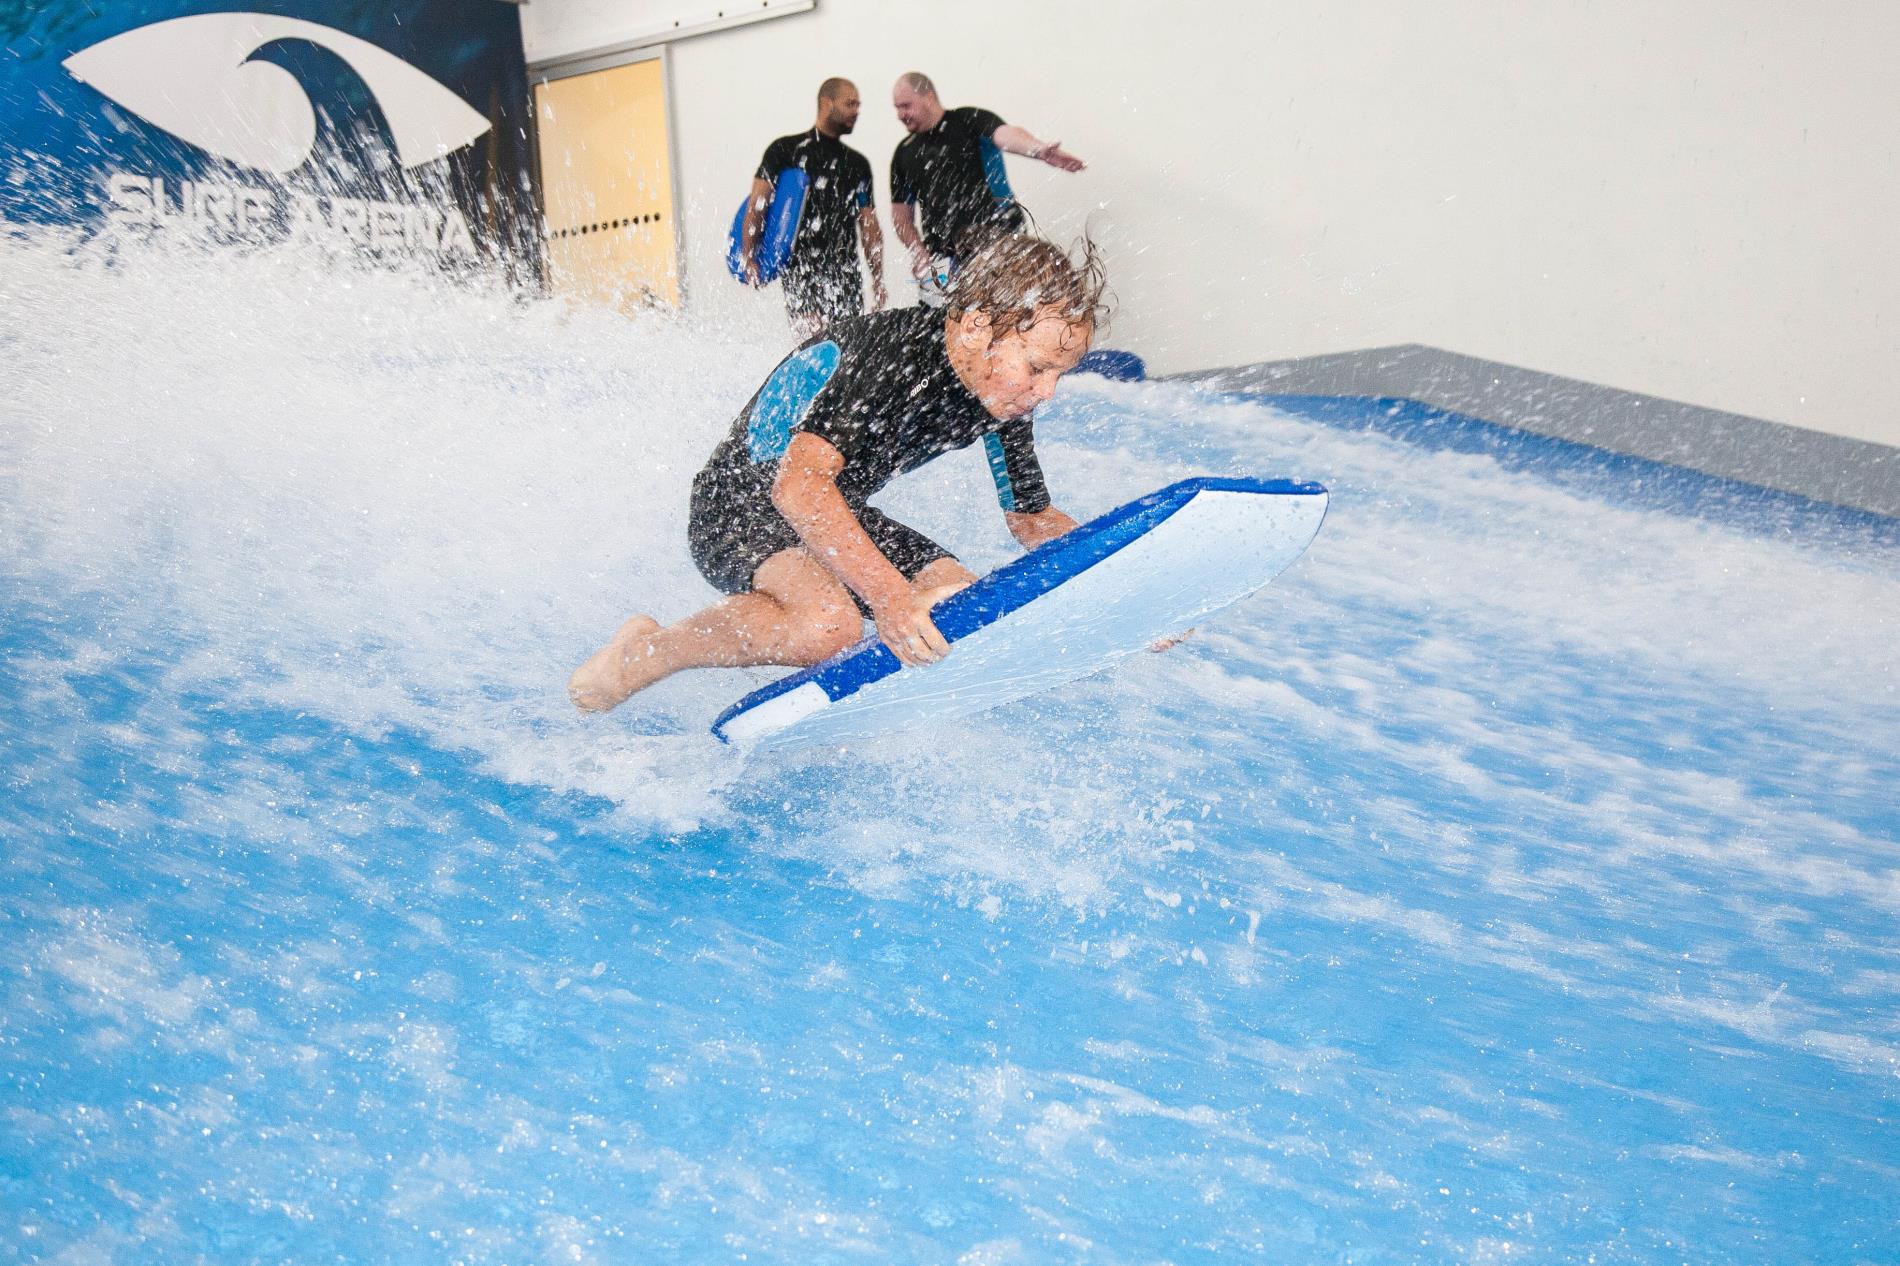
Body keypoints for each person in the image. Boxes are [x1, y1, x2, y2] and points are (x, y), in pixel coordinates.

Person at [568, 234, 1107, 714]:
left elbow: (1032, 520)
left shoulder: (1000, 394)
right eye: (1037, 367)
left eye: (1058, 374)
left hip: (827, 506)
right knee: (829, 625)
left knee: (957, 598)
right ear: (975, 328)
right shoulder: (888, 357)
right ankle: (647, 651)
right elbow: (798, 488)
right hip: (739, 504)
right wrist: (890, 599)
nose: (1046, 392)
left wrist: (1116, 581)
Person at [888, 72, 1085, 302]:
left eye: (906, 106)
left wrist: (1038, 149)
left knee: (1004, 315)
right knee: (941, 326)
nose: (901, 115)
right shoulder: (903, 153)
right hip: (944, 257)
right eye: (897, 108)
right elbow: (901, 218)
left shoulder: (968, 120)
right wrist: (918, 251)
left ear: (928, 96)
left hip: (999, 242)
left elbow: (1006, 134)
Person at [739, 78, 887, 339]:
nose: (856, 111)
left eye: (858, 105)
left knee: (848, 350)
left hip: (845, 275)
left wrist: (878, 278)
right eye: (850, 103)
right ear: (826, 103)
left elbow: (869, 225)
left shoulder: (856, 164)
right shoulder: (784, 151)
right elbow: (757, 204)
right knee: (812, 350)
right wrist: (750, 257)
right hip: (801, 273)